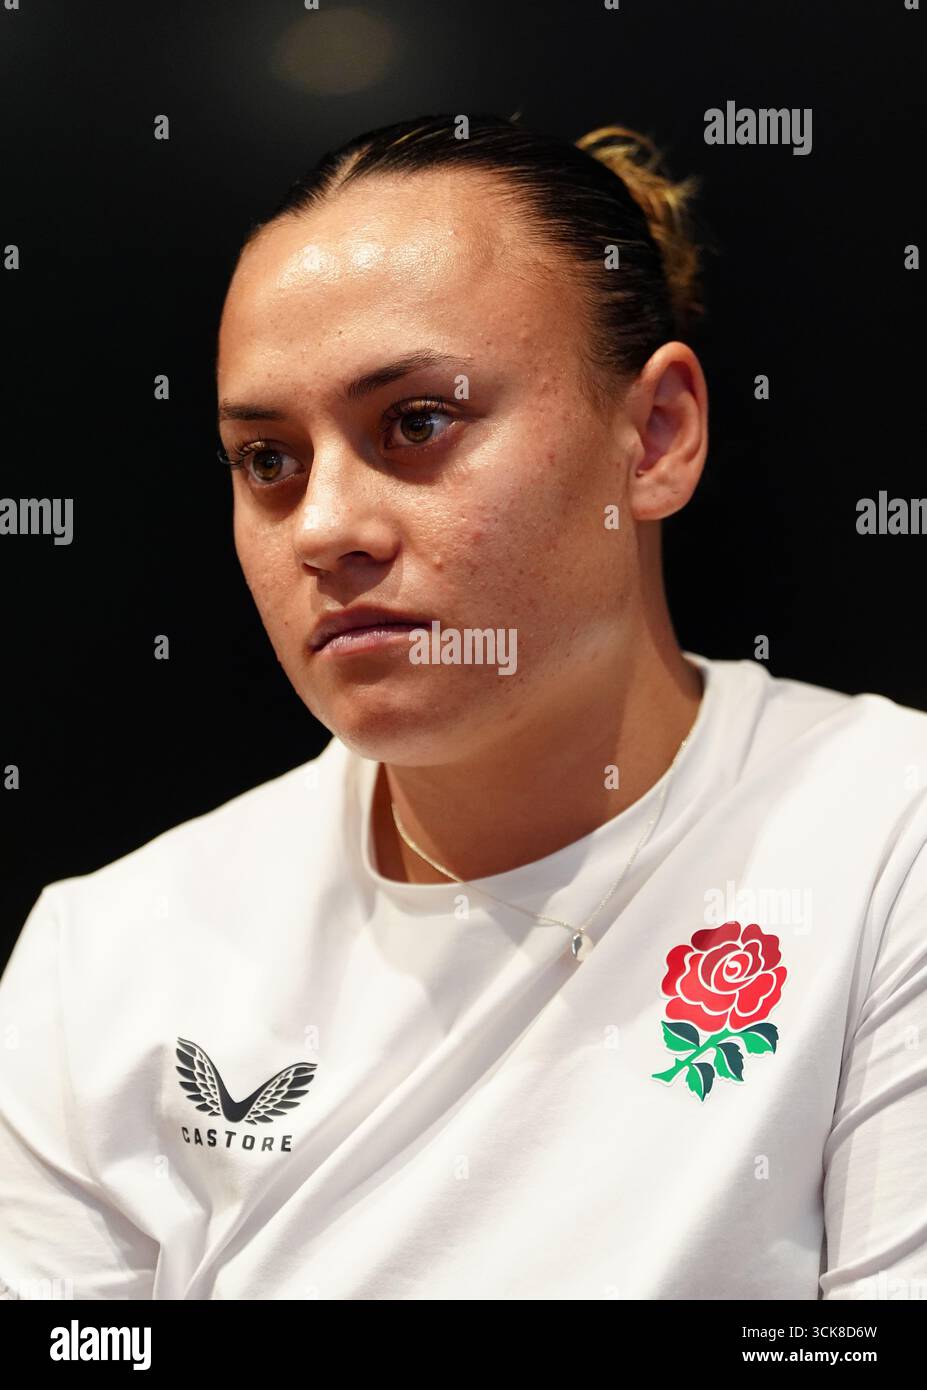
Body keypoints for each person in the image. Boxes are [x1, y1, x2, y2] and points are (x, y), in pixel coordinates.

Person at [1, 112, 925, 1302]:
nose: (325, 528)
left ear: (655, 435)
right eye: (268, 459)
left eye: (418, 421)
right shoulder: (102, 961)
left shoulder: (885, 838)